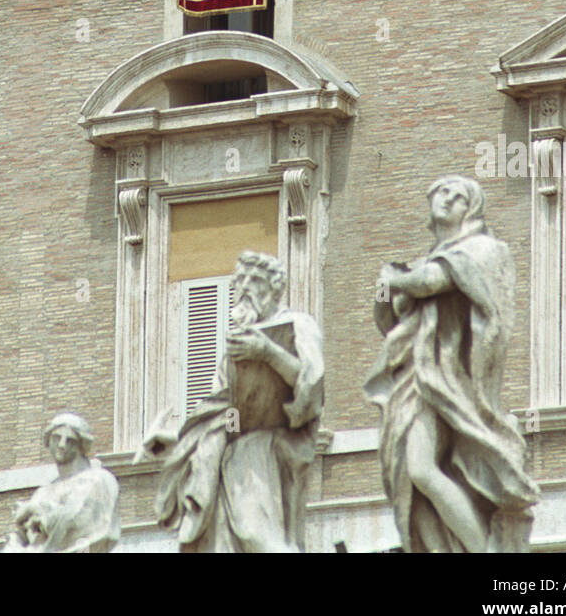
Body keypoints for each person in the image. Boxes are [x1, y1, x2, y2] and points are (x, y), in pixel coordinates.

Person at [363, 177, 539, 553]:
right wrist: (387, 286)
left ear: (470, 209)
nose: (446, 200)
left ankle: (479, 548)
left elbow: (430, 282)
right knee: (405, 480)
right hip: (413, 376)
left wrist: (397, 279)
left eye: (457, 197)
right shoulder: (423, 262)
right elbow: (388, 315)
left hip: (446, 379)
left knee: (421, 469)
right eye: (441, 192)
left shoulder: (481, 249)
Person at [142, 251, 323, 552]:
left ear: (275, 286)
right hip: (231, 454)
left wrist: (268, 353)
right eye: (240, 281)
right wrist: (178, 441)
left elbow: (312, 384)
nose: (245, 287)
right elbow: (226, 415)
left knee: (258, 535)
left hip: (271, 449)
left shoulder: (297, 324)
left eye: (255, 279)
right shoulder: (234, 348)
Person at [2, 411, 120, 553]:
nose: (62, 445)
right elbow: (30, 539)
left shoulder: (98, 480)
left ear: (82, 445)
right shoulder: (42, 492)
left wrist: (38, 511)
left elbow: (79, 522)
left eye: (70, 440)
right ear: (48, 441)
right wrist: (18, 536)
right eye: (56, 438)